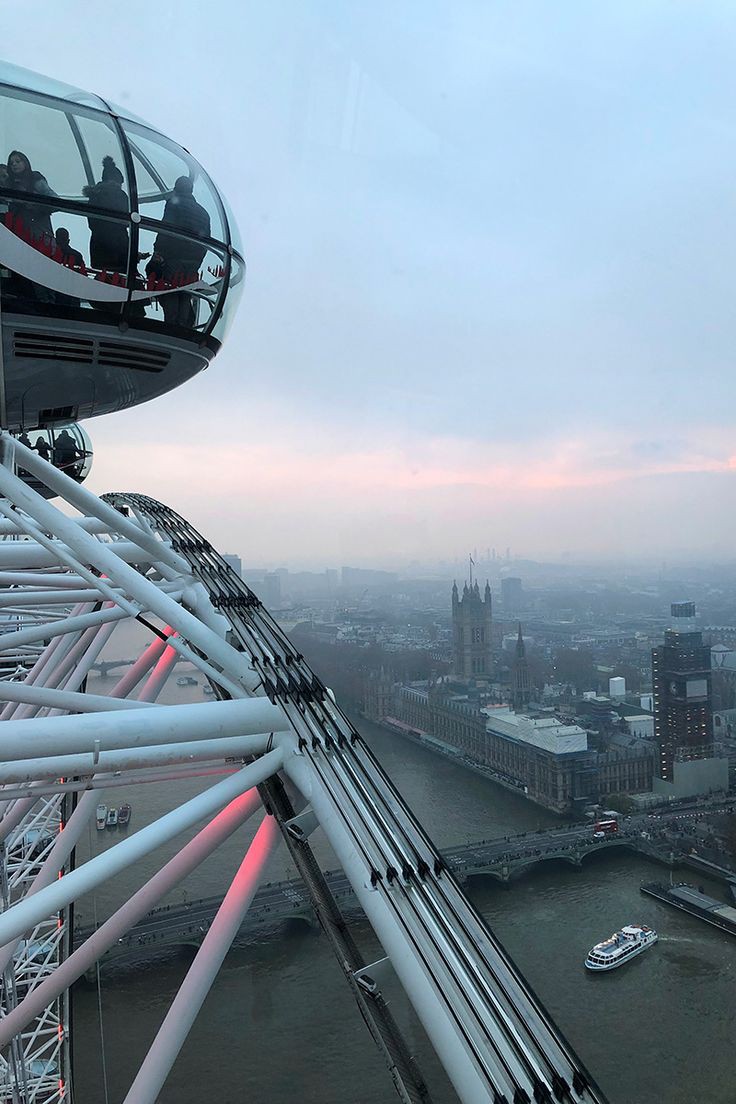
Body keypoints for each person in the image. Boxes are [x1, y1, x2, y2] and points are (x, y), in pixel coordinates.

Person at [146, 176, 210, 327]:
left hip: (174, 258)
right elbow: (206, 241)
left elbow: (166, 229)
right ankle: (184, 327)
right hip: (193, 263)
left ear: (176, 188)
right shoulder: (203, 212)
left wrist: (158, 252)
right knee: (185, 295)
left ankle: (172, 327)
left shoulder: (174, 204)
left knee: (171, 293)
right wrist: (197, 261)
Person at [82, 156, 129, 275]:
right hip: (118, 246)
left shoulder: (94, 195)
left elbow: (91, 223)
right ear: (116, 181)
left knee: (102, 279)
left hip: (98, 245)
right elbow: (125, 221)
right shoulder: (120, 195)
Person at [54, 227, 85, 308]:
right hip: (72, 295)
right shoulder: (77, 255)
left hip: (56, 296)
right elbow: (83, 277)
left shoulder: (51, 253)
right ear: (68, 240)